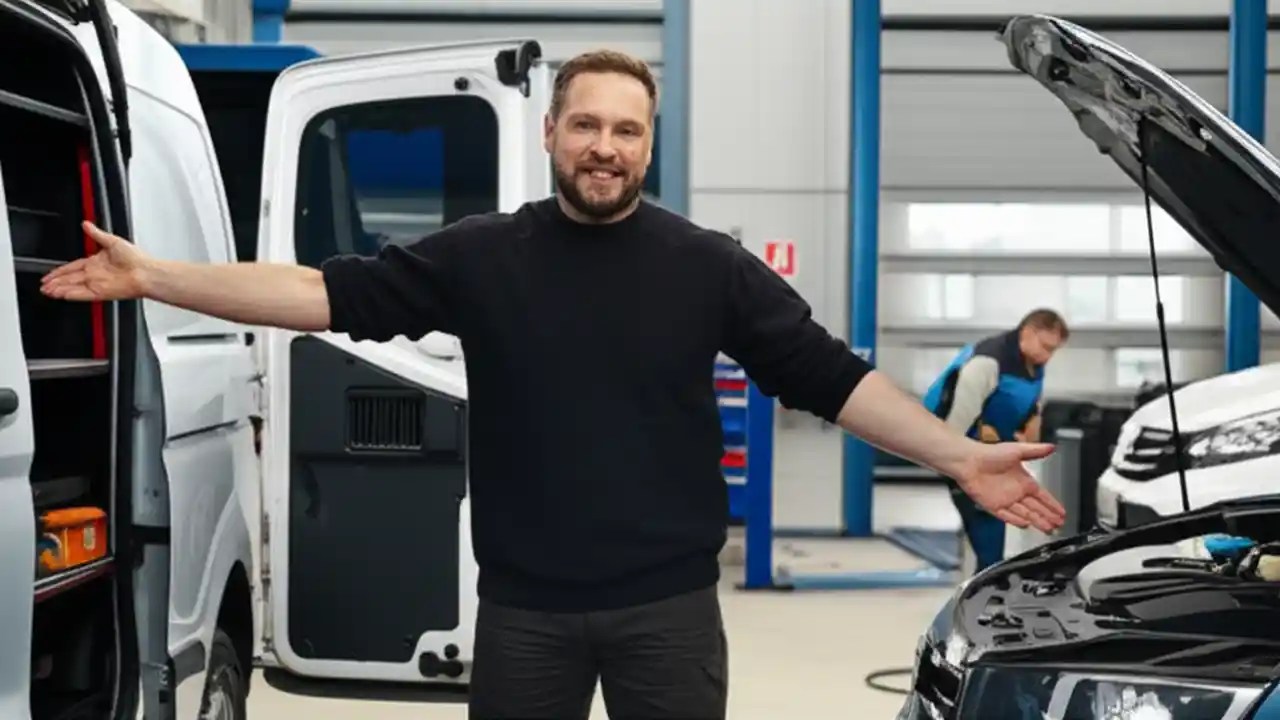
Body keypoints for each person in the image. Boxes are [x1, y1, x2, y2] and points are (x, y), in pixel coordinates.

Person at [42, 49, 1065, 720]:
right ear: (550, 135)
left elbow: (830, 379)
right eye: (586, 126)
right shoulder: (482, 258)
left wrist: (960, 455)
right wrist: (156, 275)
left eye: (626, 131)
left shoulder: (706, 267)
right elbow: (318, 292)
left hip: (667, 611)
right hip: (523, 614)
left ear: (648, 145)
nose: (604, 148)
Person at [922, 309, 1069, 575]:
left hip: (998, 457)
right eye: (1046, 347)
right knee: (988, 540)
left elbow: (1027, 405)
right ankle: (981, 597)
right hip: (970, 459)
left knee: (996, 536)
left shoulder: (1034, 365)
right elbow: (955, 426)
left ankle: (981, 585)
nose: (1048, 356)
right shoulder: (987, 362)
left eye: (1054, 351)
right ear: (1027, 332)